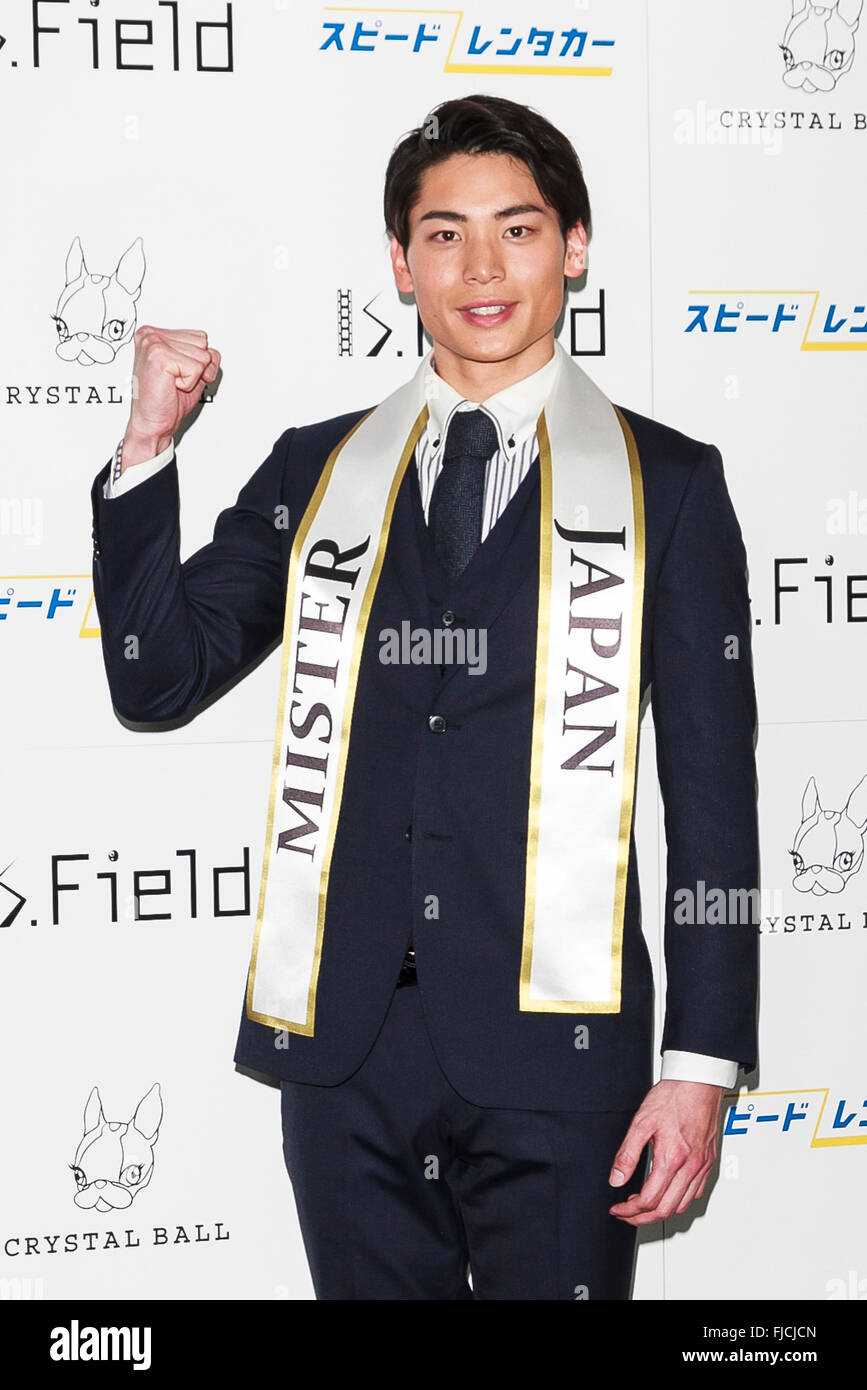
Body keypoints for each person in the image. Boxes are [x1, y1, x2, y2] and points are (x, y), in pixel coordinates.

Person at [90, 93, 759, 1300]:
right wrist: (148, 447)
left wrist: (701, 1061)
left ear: (576, 246)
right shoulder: (319, 466)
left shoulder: (672, 484)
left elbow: (713, 792)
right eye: (445, 234)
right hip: (349, 1052)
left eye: (519, 228)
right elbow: (157, 676)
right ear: (401, 264)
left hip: (566, 1052)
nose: (483, 267)